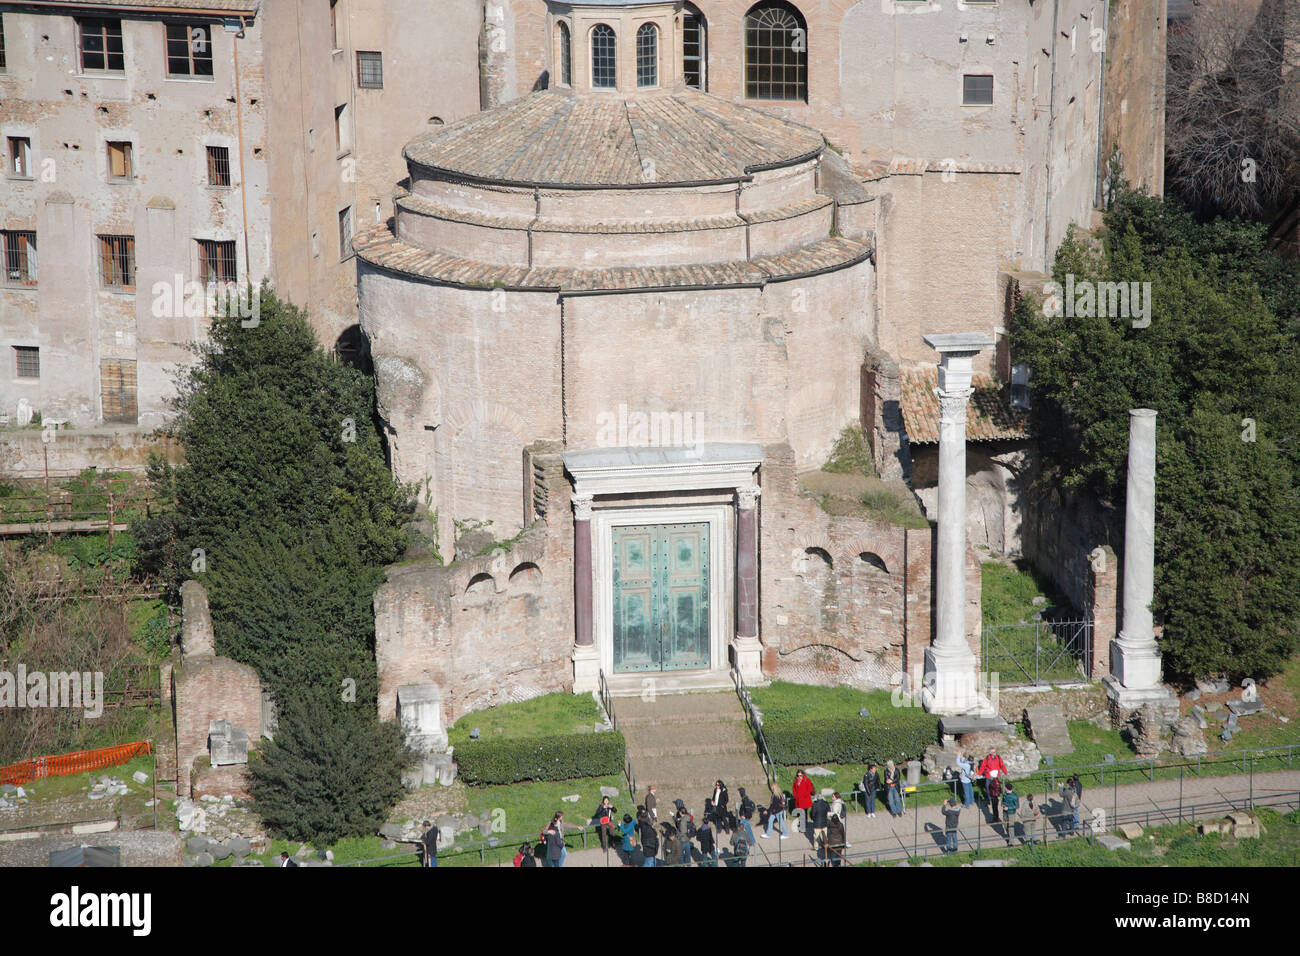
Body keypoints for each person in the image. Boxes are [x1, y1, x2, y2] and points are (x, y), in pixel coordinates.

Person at [979, 749, 1007, 822]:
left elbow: (1002, 765)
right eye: (993, 752)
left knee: (996, 788)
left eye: (995, 751)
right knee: (988, 788)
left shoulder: (998, 758)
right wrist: (979, 774)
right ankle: (990, 799)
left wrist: (1005, 772)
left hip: (995, 776)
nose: (995, 753)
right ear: (990, 753)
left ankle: (996, 798)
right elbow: (983, 766)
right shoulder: (987, 759)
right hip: (989, 776)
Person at [1001, 780, 1020, 845]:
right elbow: (1003, 800)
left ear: (1007, 788)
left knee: (1011, 827)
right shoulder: (1005, 794)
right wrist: (1002, 804)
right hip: (1005, 812)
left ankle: (1011, 842)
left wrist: (1008, 808)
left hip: (1011, 813)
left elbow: (1017, 806)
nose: (1004, 788)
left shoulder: (1014, 796)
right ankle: (1009, 836)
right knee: (1005, 825)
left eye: (1005, 787)